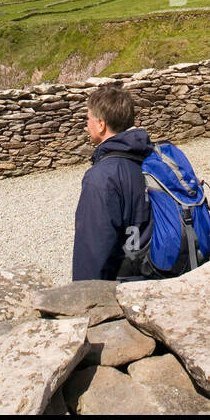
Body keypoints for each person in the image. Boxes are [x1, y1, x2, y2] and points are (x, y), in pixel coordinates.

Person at [72, 85, 153, 281]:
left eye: (88, 119)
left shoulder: (101, 178)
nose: (86, 125)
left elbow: (93, 250)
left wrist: (82, 298)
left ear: (101, 125)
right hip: (161, 273)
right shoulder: (152, 156)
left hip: (129, 285)